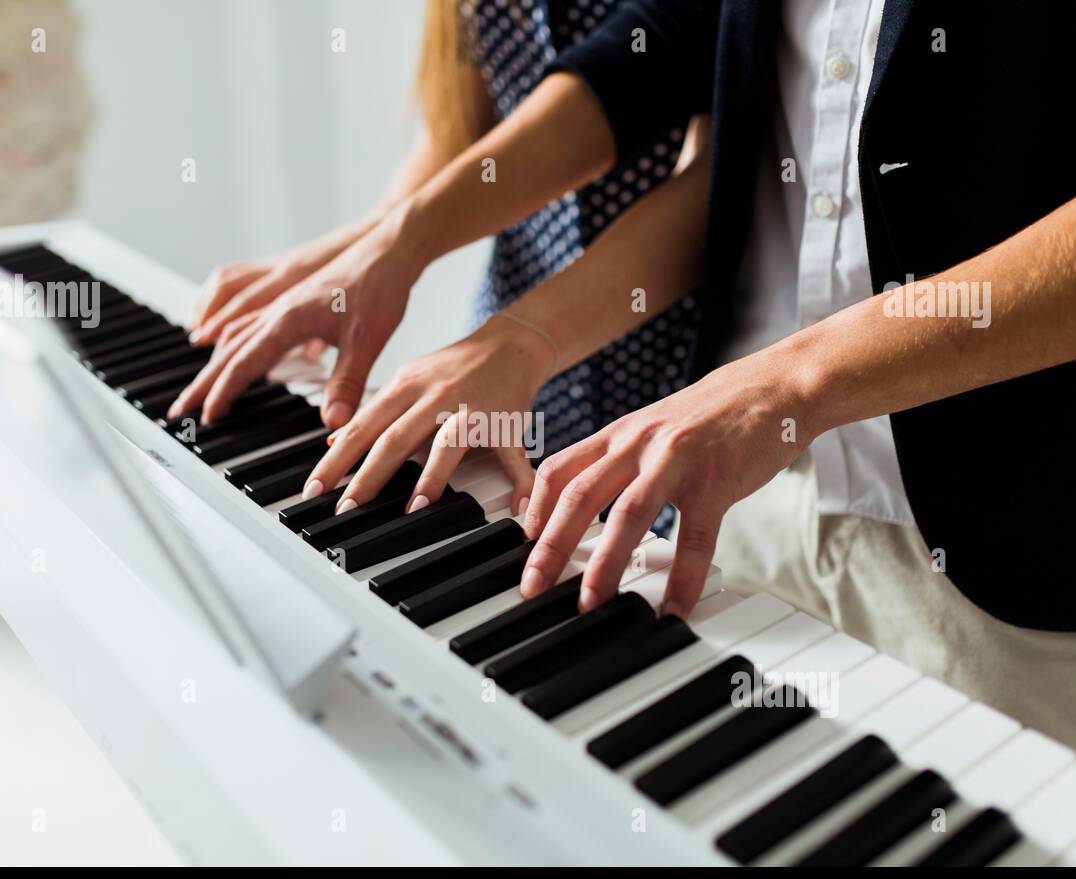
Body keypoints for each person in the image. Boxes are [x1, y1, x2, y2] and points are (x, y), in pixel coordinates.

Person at [183, 0, 1076, 775]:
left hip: (1015, 544)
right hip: (744, 503)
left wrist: (796, 379)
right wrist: (486, 309)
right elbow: (686, 87)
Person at [172, 0, 708, 533]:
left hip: (664, 354)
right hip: (501, 344)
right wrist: (355, 252)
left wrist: (517, 336)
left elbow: (699, 160)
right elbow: (456, 132)